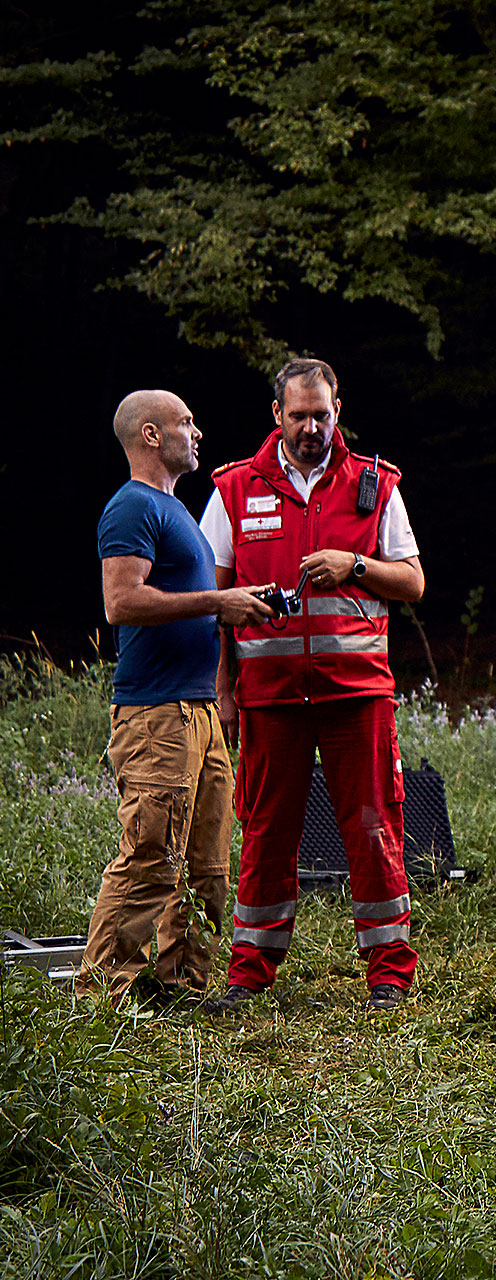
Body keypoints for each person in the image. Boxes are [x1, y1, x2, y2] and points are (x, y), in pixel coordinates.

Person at [198, 358, 426, 1013]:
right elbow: (215, 600)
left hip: (358, 693)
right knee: (266, 831)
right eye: (297, 415)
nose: (309, 427)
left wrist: (354, 564)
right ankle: (248, 974)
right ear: (277, 415)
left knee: (373, 828)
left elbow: (412, 583)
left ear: (338, 411)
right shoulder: (234, 489)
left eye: (320, 415)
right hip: (269, 699)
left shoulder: (375, 485)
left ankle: (389, 973)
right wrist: (225, 688)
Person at [87, 389, 277, 1007]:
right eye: (185, 422)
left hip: (198, 711)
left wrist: (244, 601)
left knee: (205, 867)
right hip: (156, 713)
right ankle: (102, 1000)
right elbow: (121, 602)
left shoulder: (177, 514)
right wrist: (217, 602)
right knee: (149, 858)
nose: (197, 432)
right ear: (150, 436)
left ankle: (182, 990)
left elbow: (189, 603)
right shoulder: (130, 508)